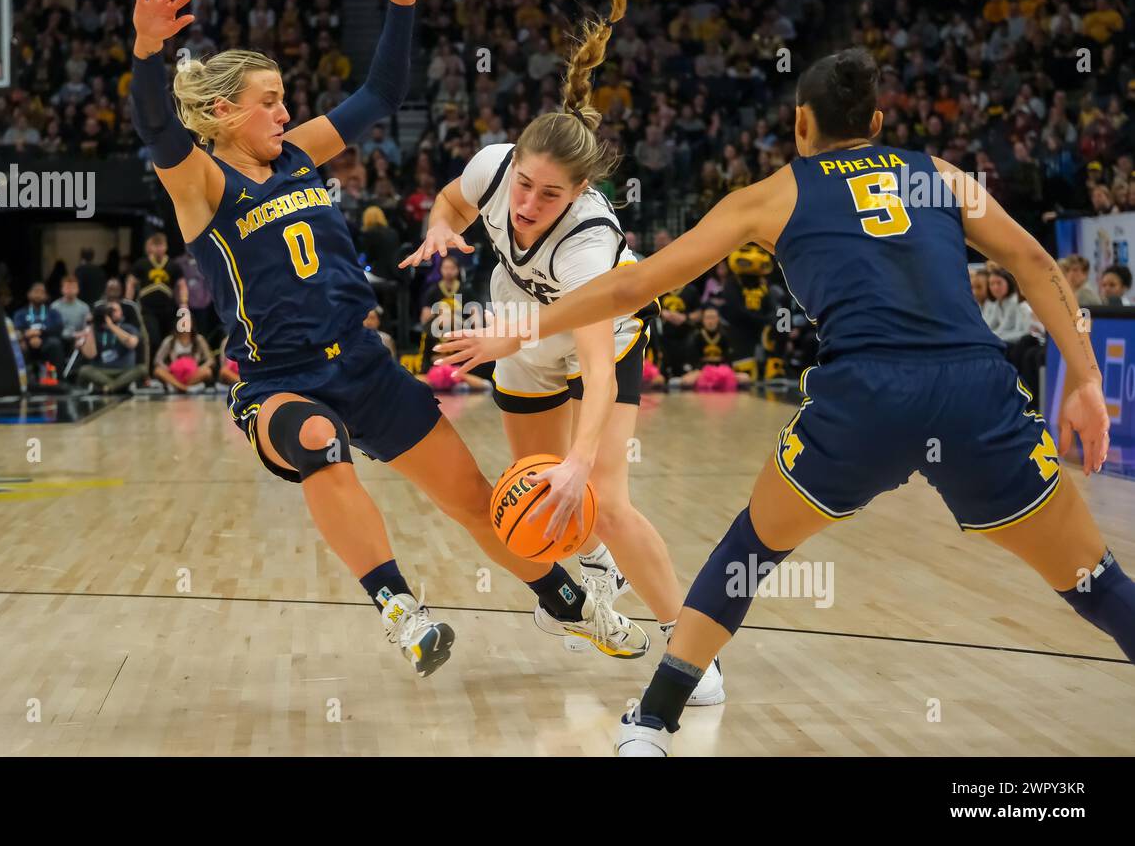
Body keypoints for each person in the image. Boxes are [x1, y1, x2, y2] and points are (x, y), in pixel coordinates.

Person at [439, 47, 1131, 755]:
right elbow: (1035, 264)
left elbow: (628, 289)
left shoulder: (772, 195)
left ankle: (651, 724)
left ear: (801, 123)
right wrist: (1083, 380)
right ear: (879, 120)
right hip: (975, 388)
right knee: (1094, 581)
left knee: (751, 546)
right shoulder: (939, 175)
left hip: (867, 396)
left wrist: (521, 326)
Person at [129, 0, 640, 677]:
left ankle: (566, 602)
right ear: (225, 113)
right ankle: (400, 608)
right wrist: (145, 54)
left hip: (364, 364)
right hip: (279, 380)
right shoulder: (202, 182)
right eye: (269, 102)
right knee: (316, 446)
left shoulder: (300, 152)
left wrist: (402, 4)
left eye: (284, 101)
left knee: (473, 498)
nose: (283, 112)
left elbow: (382, 93)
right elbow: (154, 130)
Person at [404, 0, 725, 693]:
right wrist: (437, 231)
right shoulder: (493, 169)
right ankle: (588, 581)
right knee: (546, 506)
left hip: (599, 343)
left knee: (603, 501)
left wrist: (582, 459)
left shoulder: (589, 244)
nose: (526, 204)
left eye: (548, 195)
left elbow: (596, 371)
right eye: (523, 185)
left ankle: (691, 653)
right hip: (517, 341)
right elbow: (455, 202)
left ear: (579, 193)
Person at [76, 300, 148, 393]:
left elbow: (132, 344)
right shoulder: (95, 330)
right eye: (108, 311)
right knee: (84, 370)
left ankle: (108, 387)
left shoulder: (128, 327)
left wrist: (111, 325)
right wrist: (91, 325)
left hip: (124, 371)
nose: (110, 313)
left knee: (142, 369)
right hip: (101, 371)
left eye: (114, 310)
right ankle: (118, 387)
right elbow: (90, 355)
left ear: (121, 313)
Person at [153, 323, 215, 392]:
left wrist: (199, 368)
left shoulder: (199, 339)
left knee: (207, 371)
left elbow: (210, 360)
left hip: (192, 374)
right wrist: (167, 368)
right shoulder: (170, 340)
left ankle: (176, 387)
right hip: (174, 374)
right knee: (158, 371)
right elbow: (157, 360)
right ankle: (184, 388)